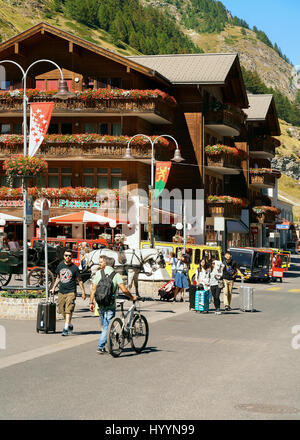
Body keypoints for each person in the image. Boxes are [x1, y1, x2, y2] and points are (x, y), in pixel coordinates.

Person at [89, 255, 138, 354]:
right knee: (107, 326)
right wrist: (132, 297)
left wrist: (91, 302)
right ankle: (100, 346)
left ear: (106, 263)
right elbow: (124, 290)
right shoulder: (116, 275)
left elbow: (93, 289)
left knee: (105, 326)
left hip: (100, 304)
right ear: (114, 265)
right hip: (110, 305)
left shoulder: (98, 273)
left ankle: (109, 345)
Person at [50, 250, 87, 336]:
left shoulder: (74, 268)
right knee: (61, 310)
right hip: (61, 292)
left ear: (72, 257)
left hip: (71, 292)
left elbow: (80, 281)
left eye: (69, 256)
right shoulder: (60, 266)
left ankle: (65, 328)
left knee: (68, 310)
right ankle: (70, 325)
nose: (68, 257)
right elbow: (58, 278)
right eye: (66, 255)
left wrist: (83, 292)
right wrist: (53, 288)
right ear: (64, 256)